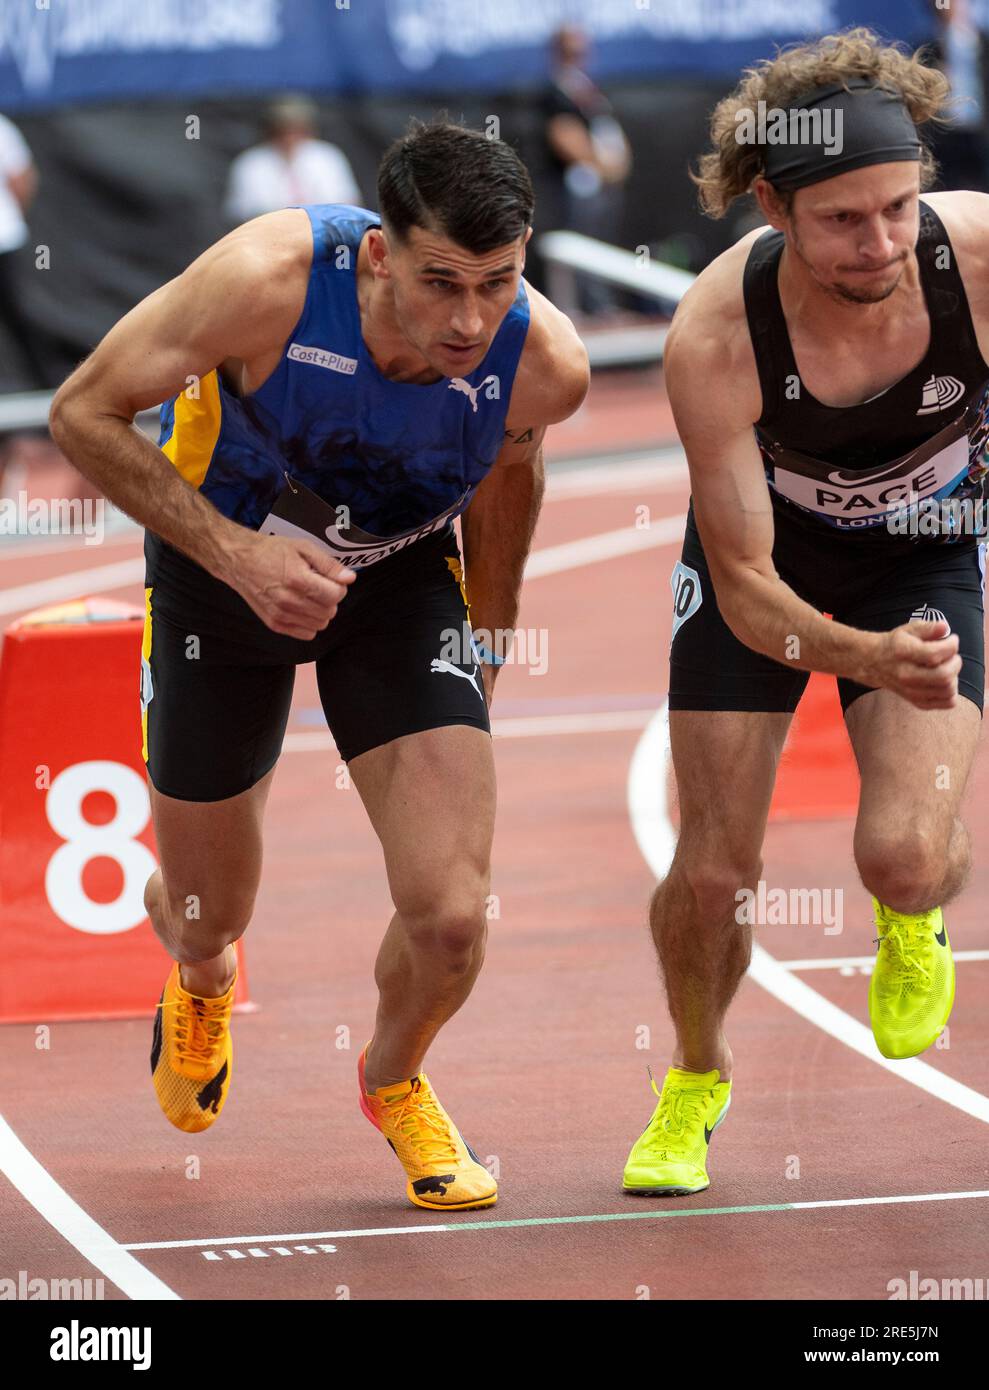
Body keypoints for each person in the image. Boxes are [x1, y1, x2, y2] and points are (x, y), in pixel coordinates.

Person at [49, 119, 589, 1212]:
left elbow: (503, 480)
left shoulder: (539, 361)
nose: (469, 319)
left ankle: (392, 1077)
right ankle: (202, 974)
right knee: (209, 908)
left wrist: (488, 629)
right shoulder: (267, 281)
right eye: (442, 283)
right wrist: (235, 555)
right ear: (380, 255)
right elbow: (82, 412)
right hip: (219, 572)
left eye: (497, 282)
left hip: (393, 586)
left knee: (449, 912)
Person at [622, 28, 988, 1198]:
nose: (877, 243)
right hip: (769, 576)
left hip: (921, 561)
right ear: (771, 205)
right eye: (841, 220)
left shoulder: (974, 262)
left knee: (903, 855)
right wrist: (861, 659)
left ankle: (910, 917)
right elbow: (742, 590)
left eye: (894, 207)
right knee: (714, 872)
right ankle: (692, 1074)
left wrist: (903, 640)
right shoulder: (715, 334)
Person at [542, 24, 631, 317]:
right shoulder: (556, 93)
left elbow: (608, 130)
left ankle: (601, 300)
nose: (577, 57)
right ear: (558, 53)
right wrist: (598, 165)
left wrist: (616, 165)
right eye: (570, 51)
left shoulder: (590, 90)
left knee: (602, 242)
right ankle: (580, 305)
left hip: (603, 181)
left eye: (581, 51)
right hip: (580, 183)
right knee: (580, 242)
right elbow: (563, 135)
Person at [224, 95, 361, 224]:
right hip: (269, 235)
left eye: (297, 130)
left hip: (324, 235)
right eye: (282, 130)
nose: (290, 137)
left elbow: (348, 204)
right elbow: (241, 213)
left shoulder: (327, 156)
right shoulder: (251, 163)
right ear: (269, 130)